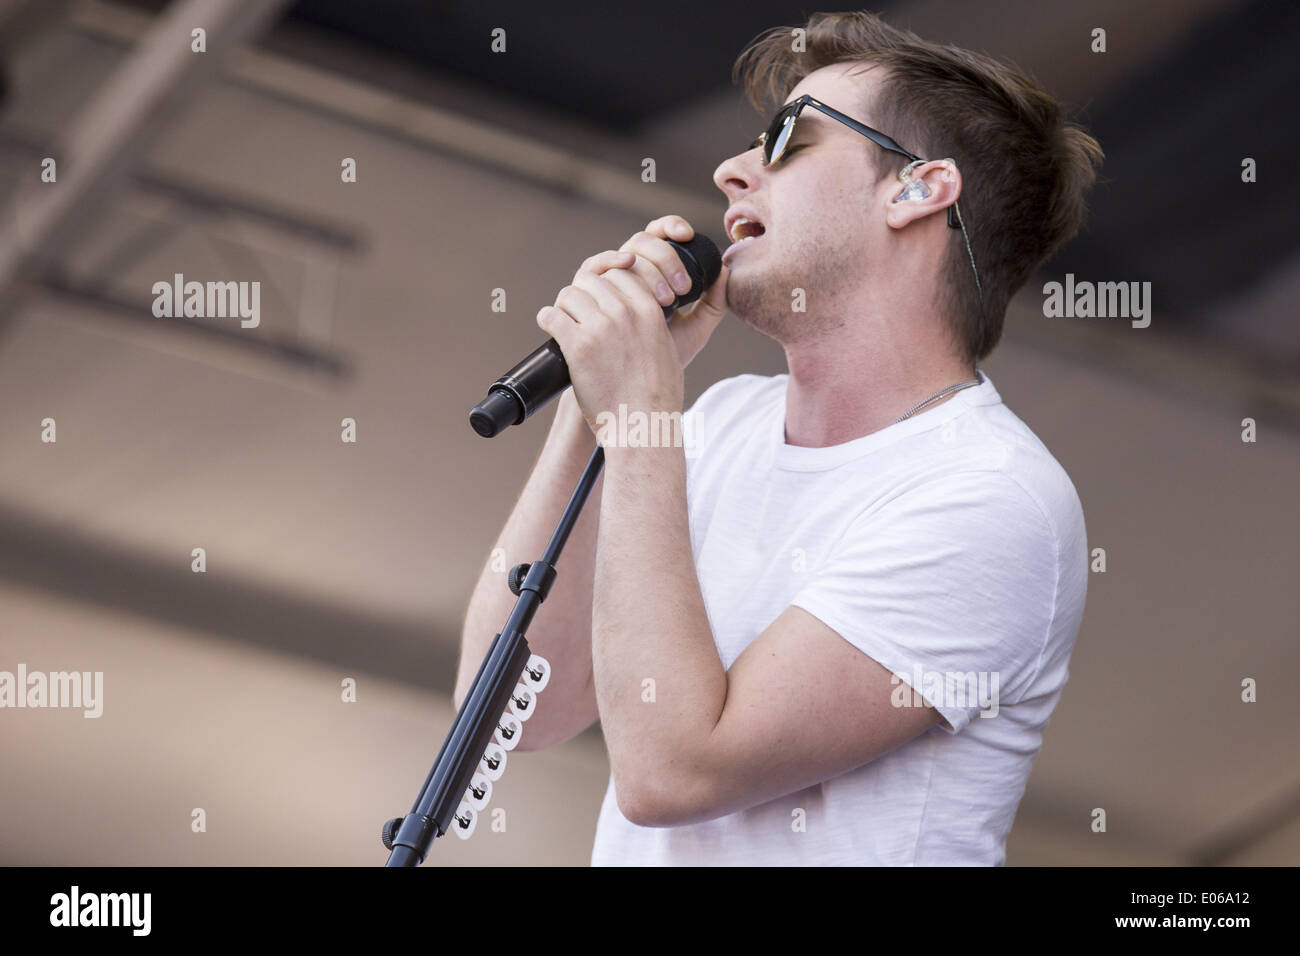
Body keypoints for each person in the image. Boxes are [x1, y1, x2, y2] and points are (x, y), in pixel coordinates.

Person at [455, 10, 1103, 865]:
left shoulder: (991, 496)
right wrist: (595, 400)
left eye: (790, 138)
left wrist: (645, 420)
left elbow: (674, 773)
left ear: (917, 189)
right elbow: (507, 718)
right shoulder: (722, 424)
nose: (731, 172)